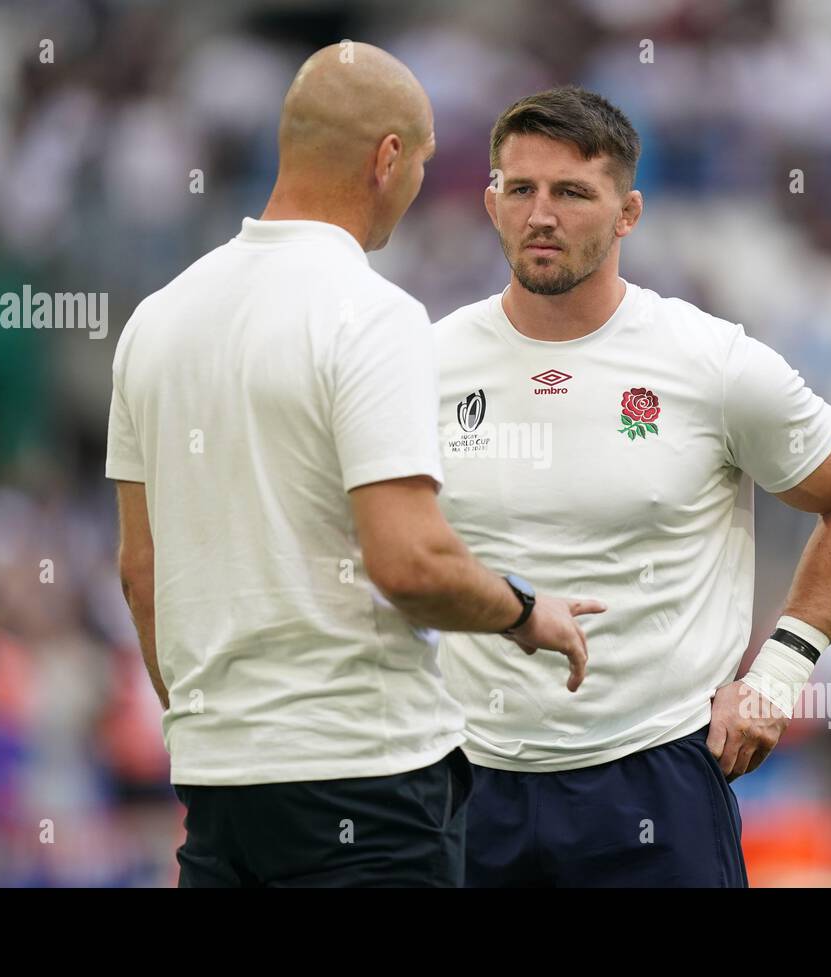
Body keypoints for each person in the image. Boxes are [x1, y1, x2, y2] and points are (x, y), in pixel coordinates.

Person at [105, 46, 602, 888]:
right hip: (366, 790)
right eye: (424, 165)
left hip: (219, 792)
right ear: (388, 159)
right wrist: (525, 612)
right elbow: (407, 563)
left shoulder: (155, 321)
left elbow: (140, 572)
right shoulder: (372, 314)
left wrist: (223, 731)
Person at [432, 86, 831, 887]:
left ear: (629, 214)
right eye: (522, 189)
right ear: (491, 202)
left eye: (573, 192)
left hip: (657, 778)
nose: (541, 214)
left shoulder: (708, 361)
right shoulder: (427, 361)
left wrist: (777, 677)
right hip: (473, 783)